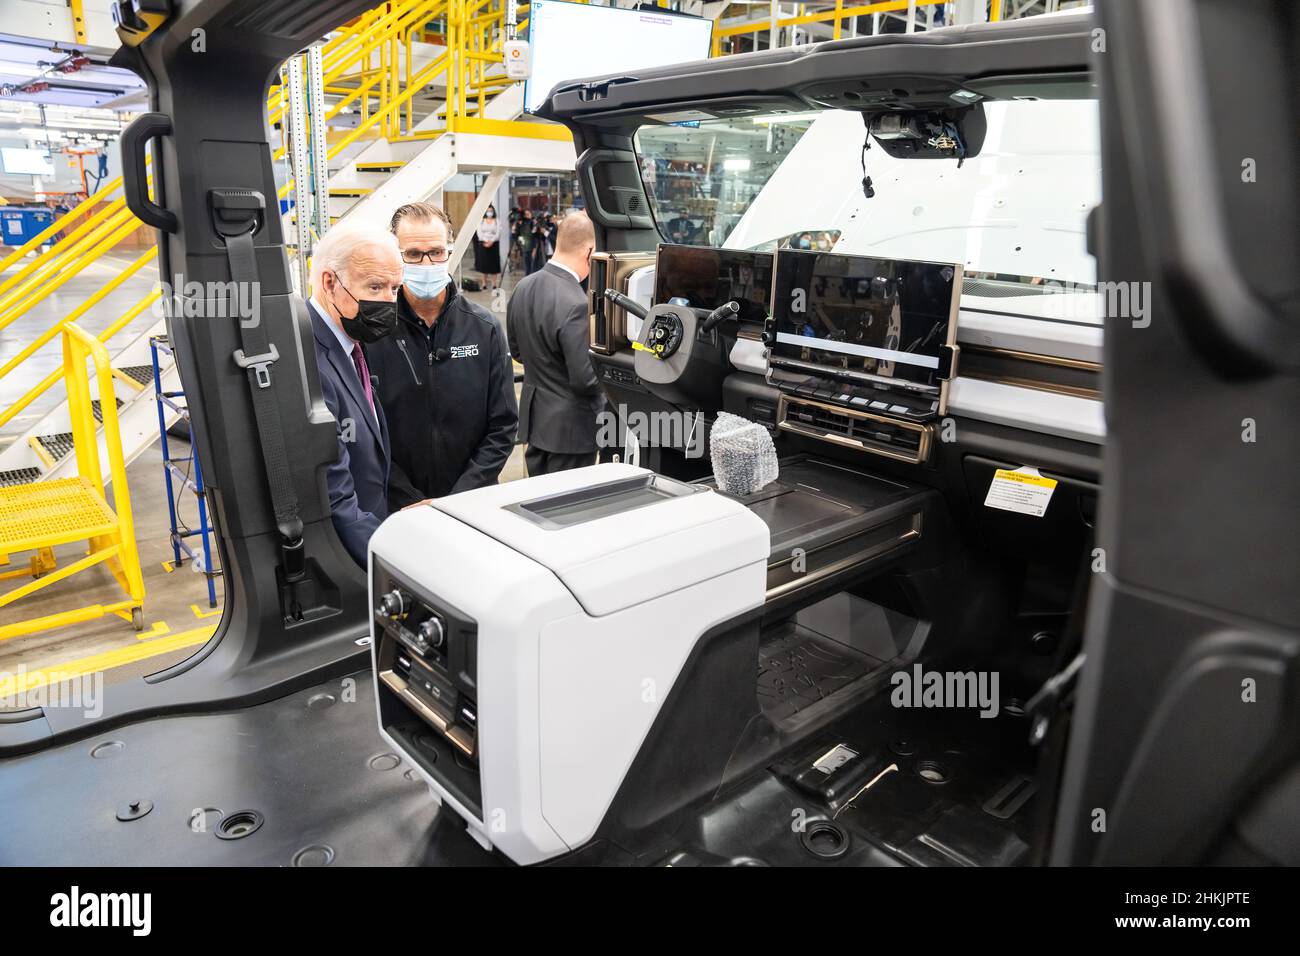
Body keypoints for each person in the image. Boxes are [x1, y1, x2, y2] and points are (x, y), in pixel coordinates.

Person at [364, 201, 518, 509]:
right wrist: (407, 498)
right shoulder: (372, 333)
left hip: (473, 502)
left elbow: (502, 426)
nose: (425, 263)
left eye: (435, 252)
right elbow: (365, 431)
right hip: (398, 506)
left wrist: (459, 498)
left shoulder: (484, 328)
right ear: (396, 256)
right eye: (412, 254)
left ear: (449, 251)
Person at [307, 225, 403, 567]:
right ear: (330, 282)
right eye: (375, 286)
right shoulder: (310, 363)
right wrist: (396, 564)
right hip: (346, 559)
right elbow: (335, 499)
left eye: (394, 288)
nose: (389, 301)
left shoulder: (349, 345)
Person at [507, 210, 604, 476]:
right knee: (566, 511)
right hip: (570, 432)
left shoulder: (524, 286)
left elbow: (517, 352)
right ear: (589, 251)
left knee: (537, 505)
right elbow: (585, 380)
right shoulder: (576, 303)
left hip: (537, 423)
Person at [474, 204, 501, 291]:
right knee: (484, 264)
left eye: (491, 211)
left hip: (494, 244)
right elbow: (479, 233)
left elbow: (498, 232)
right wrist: (486, 241)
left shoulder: (497, 221)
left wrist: (491, 241)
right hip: (483, 244)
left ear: (493, 212)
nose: (489, 213)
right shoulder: (481, 221)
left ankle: (494, 284)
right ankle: (484, 283)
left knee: (494, 264)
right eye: (488, 211)